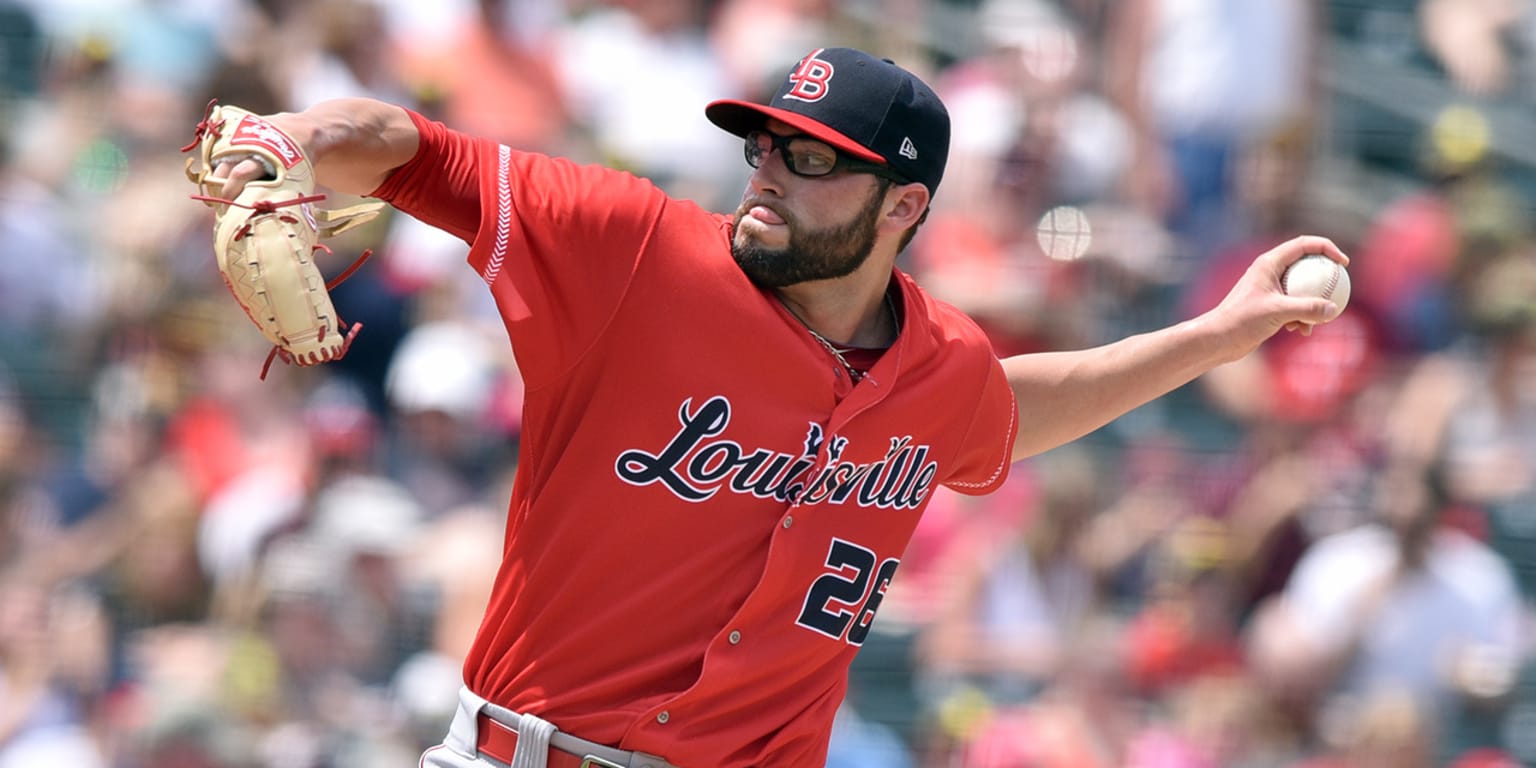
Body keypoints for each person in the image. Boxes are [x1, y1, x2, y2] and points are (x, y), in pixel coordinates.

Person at [206, 46, 1345, 768]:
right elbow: (412, 151)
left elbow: (1009, 412)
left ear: (904, 204)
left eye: (811, 159)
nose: (767, 171)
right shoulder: (637, 250)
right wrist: (287, 143)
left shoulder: (941, 364)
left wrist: (1215, 335)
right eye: (764, 145)